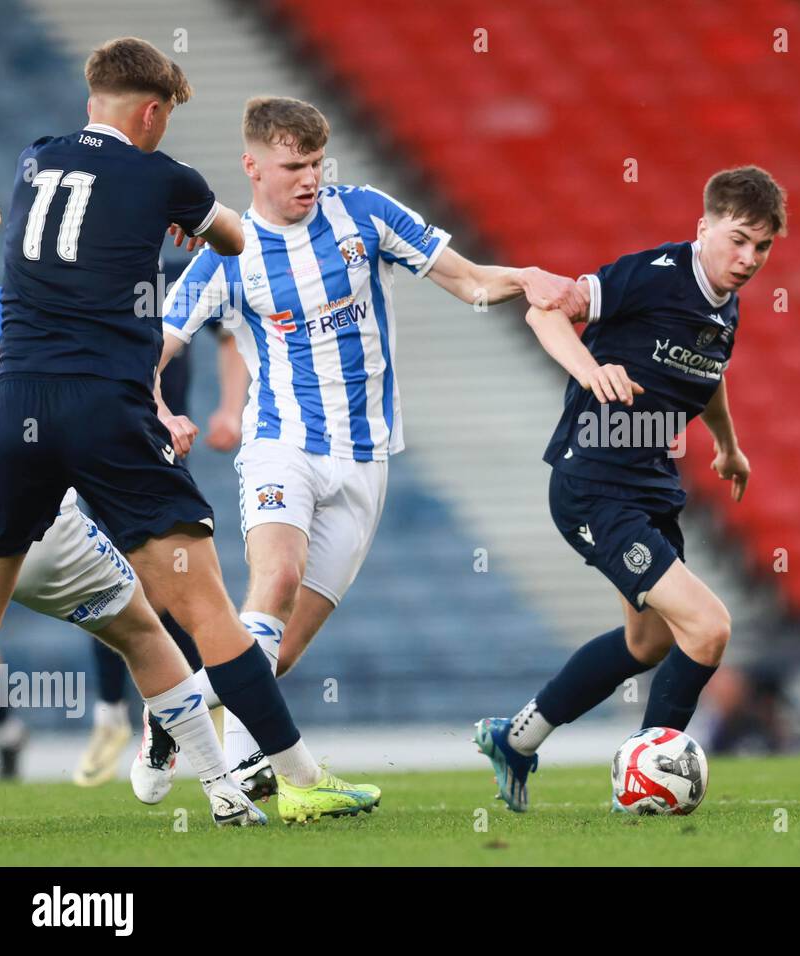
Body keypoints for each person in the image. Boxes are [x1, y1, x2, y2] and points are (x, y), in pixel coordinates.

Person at [0, 38, 376, 823]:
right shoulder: (165, 176)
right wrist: (192, 218)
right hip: (107, 413)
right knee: (205, 613)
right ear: (153, 112)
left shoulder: (33, 161)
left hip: (15, 411)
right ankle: (296, 773)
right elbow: (233, 237)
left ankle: (214, 772)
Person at [157, 95, 587, 797]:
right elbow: (160, 344)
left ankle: (176, 706)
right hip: (280, 443)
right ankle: (242, 773)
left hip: (365, 459)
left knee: (281, 653)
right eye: (294, 165)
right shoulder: (224, 255)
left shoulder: (364, 214)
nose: (309, 178)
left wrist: (526, 276)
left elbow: (471, 283)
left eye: (317, 163)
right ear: (252, 166)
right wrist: (154, 408)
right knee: (277, 579)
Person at [474, 165, 784, 812]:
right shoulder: (655, 274)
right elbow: (543, 311)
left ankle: (516, 739)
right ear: (704, 228)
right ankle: (649, 776)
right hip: (595, 480)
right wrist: (592, 373)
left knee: (650, 642)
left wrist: (727, 446)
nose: (749, 258)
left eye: (763, 247)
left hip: (649, 484)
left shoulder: (724, 306)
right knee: (708, 628)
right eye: (738, 240)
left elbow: (710, 371)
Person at [0, 190, 261, 824]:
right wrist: (158, 415)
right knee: (144, 633)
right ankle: (222, 787)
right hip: (31, 517)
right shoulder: (13, 309)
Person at [74, 258, 247, 788]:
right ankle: (116, 714)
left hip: (164, 446)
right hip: (100, 447)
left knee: (175, 584)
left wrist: (231, 409)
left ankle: (181, 715)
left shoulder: (183, 272)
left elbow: (231, 333)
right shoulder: (91, 265)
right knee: (108, 582)